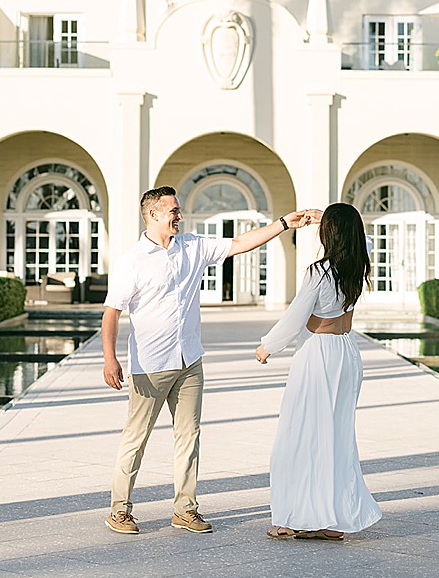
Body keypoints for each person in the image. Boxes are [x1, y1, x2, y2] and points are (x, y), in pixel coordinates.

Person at [102, 185, 319, 536]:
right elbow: (111, 313)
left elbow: (239, 243)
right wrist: (110, 359)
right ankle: (119, 510)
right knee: (136, 438)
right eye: (173, 211)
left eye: (178, 210)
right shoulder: (133, 261)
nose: (179, 215)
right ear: (153, 214)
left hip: (190, 361)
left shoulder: (192, 246)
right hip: (151, 366)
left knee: (188, 437)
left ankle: (185, 510)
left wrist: (283, 224)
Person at [254, 202, 382, 541]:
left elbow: (296, 316)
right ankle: (328, 519)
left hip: (319, 355)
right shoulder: (358, 267)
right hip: (346, 353)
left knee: (299, 437)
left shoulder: (319, 271)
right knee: (335, 438)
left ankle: (291, 518)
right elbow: (358, 235)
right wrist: (325, 216)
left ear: (329, 233)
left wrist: (267, 345)